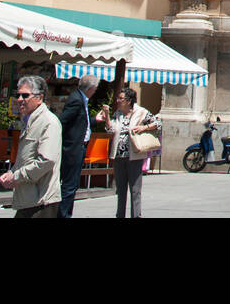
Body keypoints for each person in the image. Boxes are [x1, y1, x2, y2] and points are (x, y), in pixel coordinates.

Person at [0, 76, 62, 218]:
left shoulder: (49, 122)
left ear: (39, 98)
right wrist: (11, 173)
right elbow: (26, 157)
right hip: (28, 200)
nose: (20, 99)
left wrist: (16, 176)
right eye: (18, 95)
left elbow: (46, 161)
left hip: (41, 201)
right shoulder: (29, 120)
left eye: (25, 95)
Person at [95, 87, 161, 218]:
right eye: (118, 98)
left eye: (121, 98)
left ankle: (136, 215)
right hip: (119, 156)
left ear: (129, 101)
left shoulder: (141, 112)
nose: (118, 101)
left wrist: (143, 127)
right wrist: (107, 115)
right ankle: (120, 215)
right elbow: (110, 129)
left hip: (134, 156)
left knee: (135, 190)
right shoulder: (118, 113)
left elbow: (158, 123)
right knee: (121, 189)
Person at [58, 74, 98, 218]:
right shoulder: (76, 100)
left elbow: (80, 122)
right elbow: (63, 121)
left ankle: (66, 213)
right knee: (69, 184)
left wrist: (94, 120)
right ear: (91, 88)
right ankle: (63, 214)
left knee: (72, 184)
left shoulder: (80, 98)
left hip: (77, 147)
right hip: (73, 148)